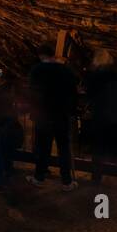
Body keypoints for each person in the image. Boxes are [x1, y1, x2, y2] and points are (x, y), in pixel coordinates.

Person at [26, 43, 78, 190]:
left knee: (42, 147)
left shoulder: (37, 71)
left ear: (41, 56)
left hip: (43, 115)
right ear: (53, 55)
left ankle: (39, 177)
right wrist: (72, 112)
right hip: (61, 115)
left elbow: (32, 94)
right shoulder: (65, 71)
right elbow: (73, 94)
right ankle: (66, 181)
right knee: (64, 148)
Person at [83, 50, 117, 185]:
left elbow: (89, 91)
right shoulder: (115, 74)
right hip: (113, 114)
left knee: (98, 146)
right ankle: (113, 174)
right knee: (112, 145)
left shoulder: (94, 75)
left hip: (99, 114)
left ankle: (96, 176)